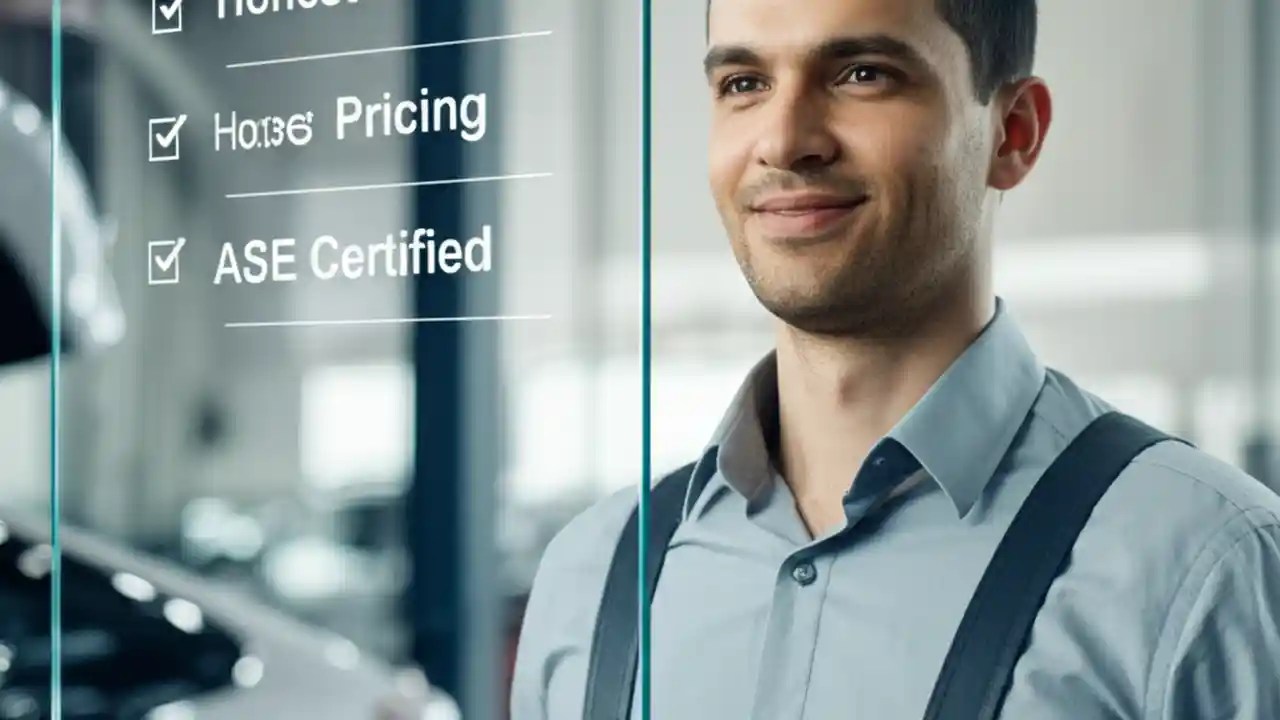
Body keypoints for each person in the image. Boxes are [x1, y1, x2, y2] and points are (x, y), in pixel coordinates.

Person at [511, 0, 1280, 718]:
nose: (783, 141)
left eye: (862, 74)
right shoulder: (591, 578)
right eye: (744, 83)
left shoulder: (1204, 567)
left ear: (1014, 132)